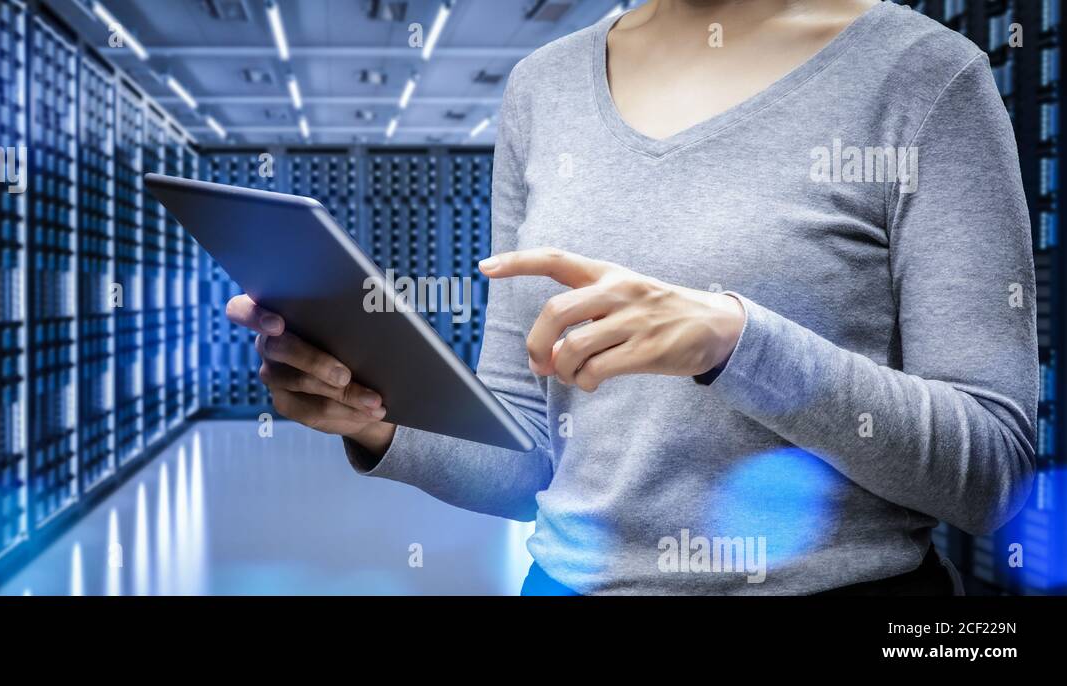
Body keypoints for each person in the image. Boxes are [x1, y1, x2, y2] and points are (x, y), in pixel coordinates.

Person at [225, 0, 1037, 595]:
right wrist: (381, 423)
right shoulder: (541, 88)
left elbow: (993, 474)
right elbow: (534, 454)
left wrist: (736, 345)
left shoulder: (923, 76)